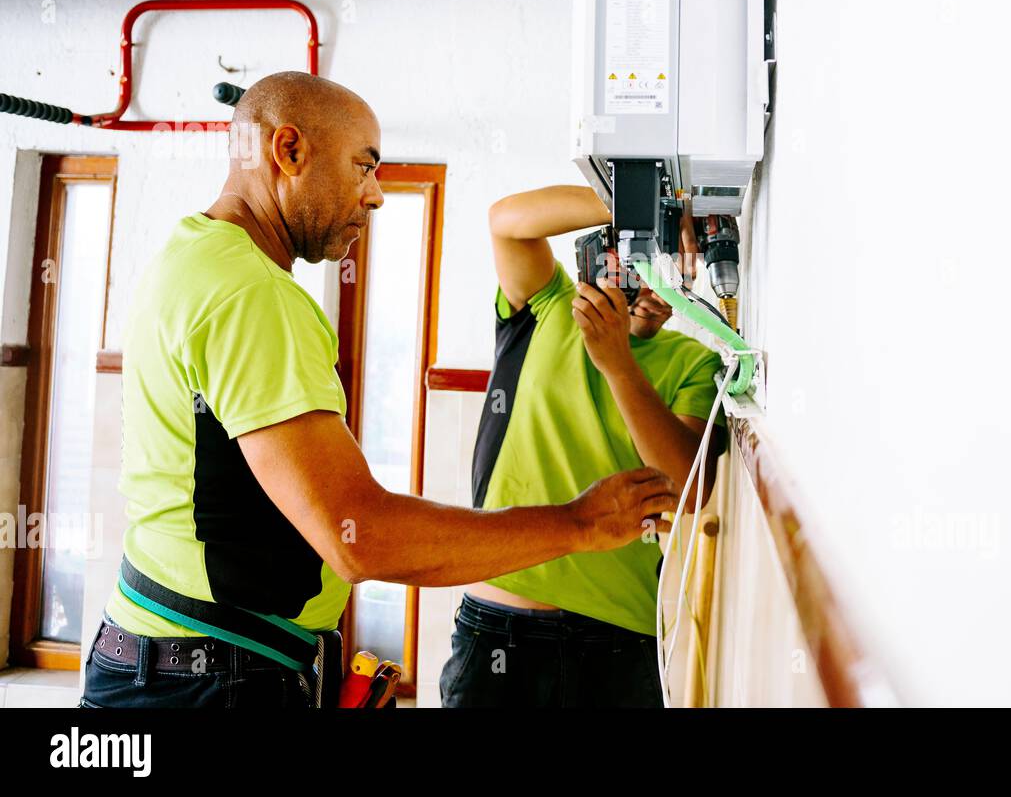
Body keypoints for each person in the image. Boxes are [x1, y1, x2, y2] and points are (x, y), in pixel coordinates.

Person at [80, 72, 677, 708]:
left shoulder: (193, 255)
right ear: (289, 151)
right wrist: (581, 523)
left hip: (198, 658)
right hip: (207, 676)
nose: (376, 196)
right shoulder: (252, 294)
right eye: (363, 168)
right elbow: (358, 534)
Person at [439, 184, 727, 707]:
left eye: (670, 273)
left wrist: (618, 363)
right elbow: (506, 219)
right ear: (608, 258)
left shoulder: (695, 362)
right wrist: (652, 203)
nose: (652, 287)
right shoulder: (549, 304)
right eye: (641, 265)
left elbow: (691, 485)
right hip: (500, 627)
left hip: (617, 639)